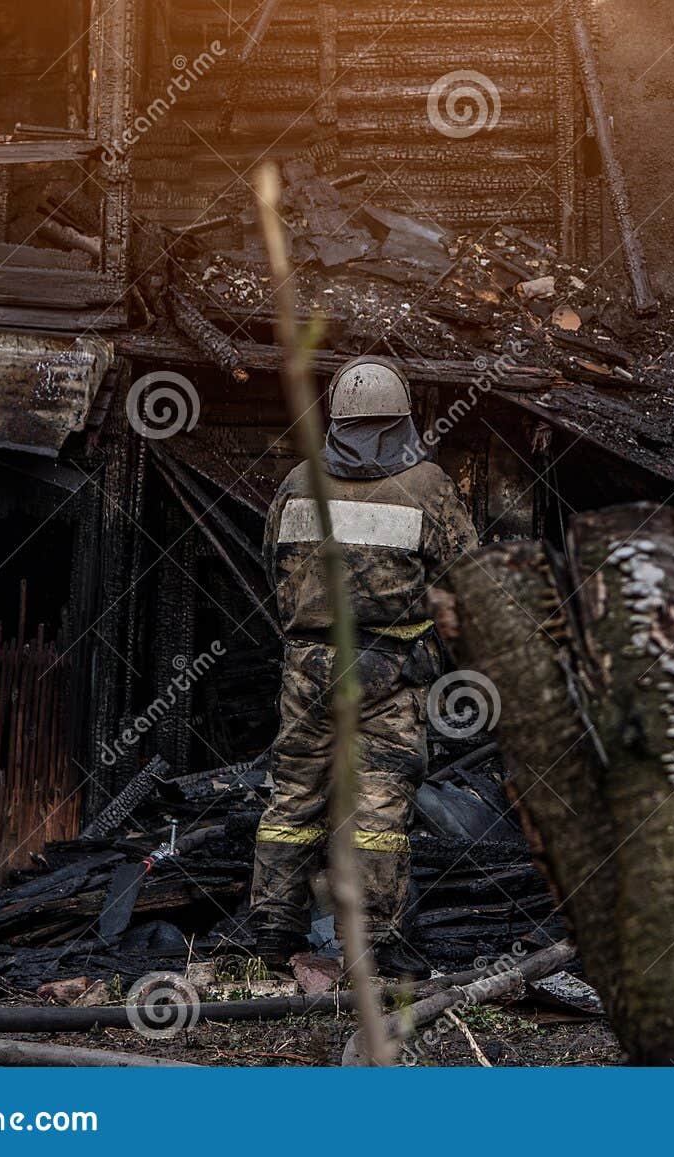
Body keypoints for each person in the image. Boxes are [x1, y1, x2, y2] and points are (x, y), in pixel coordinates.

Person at [249, 356, 478, 972]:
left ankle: (272, 929)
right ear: (403, 418)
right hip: (387, 669)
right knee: (377, 804)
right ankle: (373, 940)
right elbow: (467, 580)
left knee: (293, 795)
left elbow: (275, 566)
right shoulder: (427, 485)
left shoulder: (299, 481)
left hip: (306, 668)